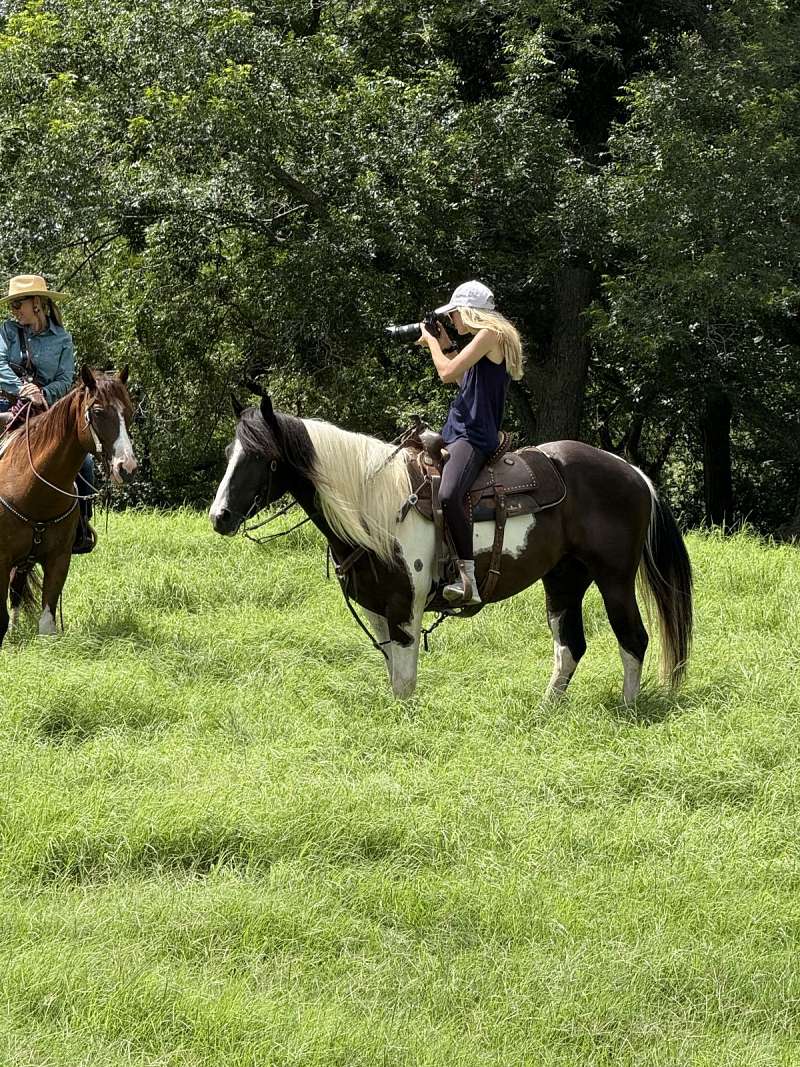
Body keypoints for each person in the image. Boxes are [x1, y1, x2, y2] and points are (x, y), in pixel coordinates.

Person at [419, 280, 524, 605]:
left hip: (473, 435)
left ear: (469, 311)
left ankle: (468, 581)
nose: (452, 319)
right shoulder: (489, 338)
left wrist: (433, 344)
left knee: (450, 495)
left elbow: (447, 373)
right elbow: (467, 380)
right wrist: (447, 343)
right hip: (457, 430)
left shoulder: (490, 335)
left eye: (454, 314)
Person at [0, 274, 96, 553]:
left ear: (37, 303)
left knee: (85, 462)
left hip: (47, 411)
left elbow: (66, 379)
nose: (15, 309)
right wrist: (23, 390)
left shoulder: (62, 339)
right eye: (13, 304)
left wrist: (43, 395)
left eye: (19, 303)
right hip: (7, 404)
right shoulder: (6, 331)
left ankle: (81, 527)